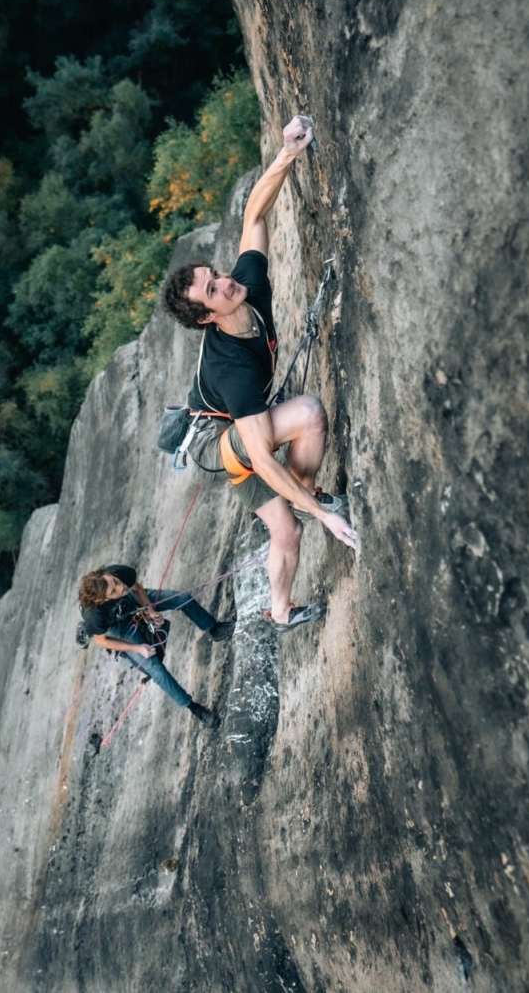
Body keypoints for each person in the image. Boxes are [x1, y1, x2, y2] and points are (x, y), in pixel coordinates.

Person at [158, 114, 360, 633]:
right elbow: (263, 461)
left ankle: (279, 611)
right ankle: (307, 503)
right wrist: (324, 516)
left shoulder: (244, 285)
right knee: (308, 416)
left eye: (216, 274)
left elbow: (254, 217)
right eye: (213, 291)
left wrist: (287, 153)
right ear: (207, 317)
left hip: (243, 433)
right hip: (218, 444)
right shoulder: (231, 369)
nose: (225, 282)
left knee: (286, 532)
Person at [77, 564, 232, 729]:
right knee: (154, 667)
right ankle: (194, 708)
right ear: (102, 600)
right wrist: (138, 648)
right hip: (117, 626)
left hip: (130, 602)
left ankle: (213, 628)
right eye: (113, 591)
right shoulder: (96, 617)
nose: (120, 586)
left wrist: (149, 611)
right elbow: (102, 641)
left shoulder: (119, 573)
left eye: (116, 582)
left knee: (182, 598)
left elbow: (136, 588)